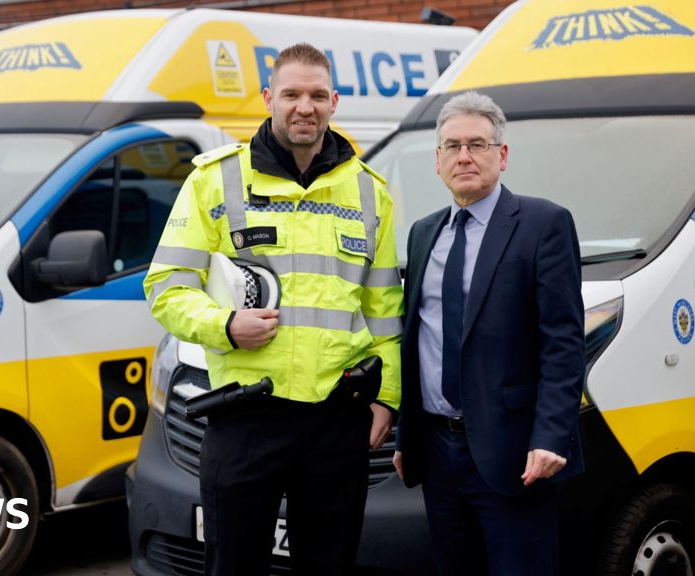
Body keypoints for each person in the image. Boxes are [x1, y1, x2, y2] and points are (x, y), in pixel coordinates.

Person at [144, 43, 403, 576]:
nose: (304, 107)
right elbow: (166, 286)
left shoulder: (369, 192)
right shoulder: (215, 180)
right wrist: (225, 326)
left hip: (336, 418)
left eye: (317, 95)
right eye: (291, 94)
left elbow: (384, 311)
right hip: (246, 417)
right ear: (268, 98)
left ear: (334, 102)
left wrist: (389, 398)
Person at [392, 90, 585, 575]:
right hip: (437, 455)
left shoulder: (543, 224)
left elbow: (563, 343)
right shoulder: (423, 233)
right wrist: (405, 436)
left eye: (477, 144)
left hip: (515, 454)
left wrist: (551, 437)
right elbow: (418, 339)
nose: (464, 156)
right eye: (452, 146)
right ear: (437, 160)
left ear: (502, 155)